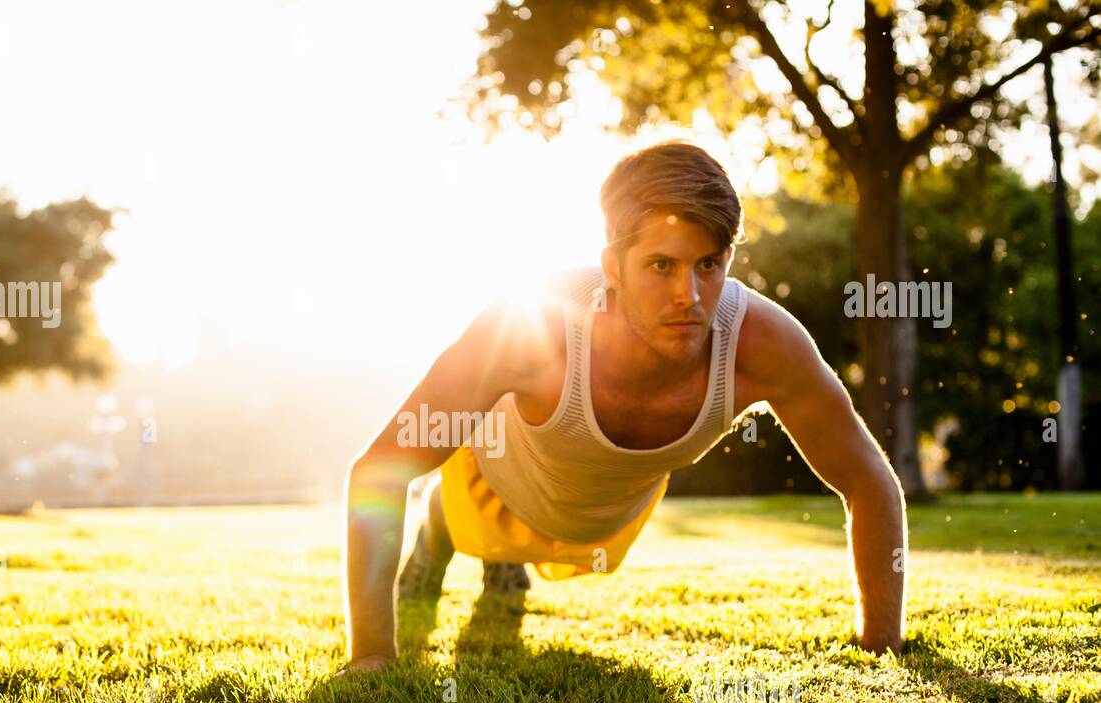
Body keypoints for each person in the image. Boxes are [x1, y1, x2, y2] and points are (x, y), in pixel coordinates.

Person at [343, 140, 906, 674]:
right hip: (492, 475)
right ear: (613, 266)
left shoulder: (763, 343)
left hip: (602, 513)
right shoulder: (530, 328)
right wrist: (370, 656)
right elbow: (379, 471)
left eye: (708, 265)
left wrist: (882, 645)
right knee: (458, 505)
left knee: (542, 525)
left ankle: (503, 557)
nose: (689, 295)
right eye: (662, 265)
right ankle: (435, 546)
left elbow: (867, 479)